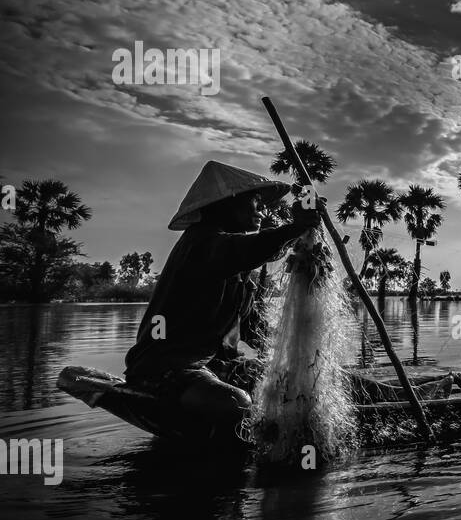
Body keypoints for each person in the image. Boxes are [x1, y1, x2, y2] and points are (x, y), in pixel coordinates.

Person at [123, 161, 321, 437]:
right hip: (163, 370)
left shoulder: (238, 272)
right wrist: (294, 229)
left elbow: (254, 330)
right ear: (228, 205)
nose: (262, 211)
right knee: (236, 404)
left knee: (304, 384)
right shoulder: (200, 244)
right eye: (255, 202)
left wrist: (293, 365)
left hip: (217, 368)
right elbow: (246, 249)